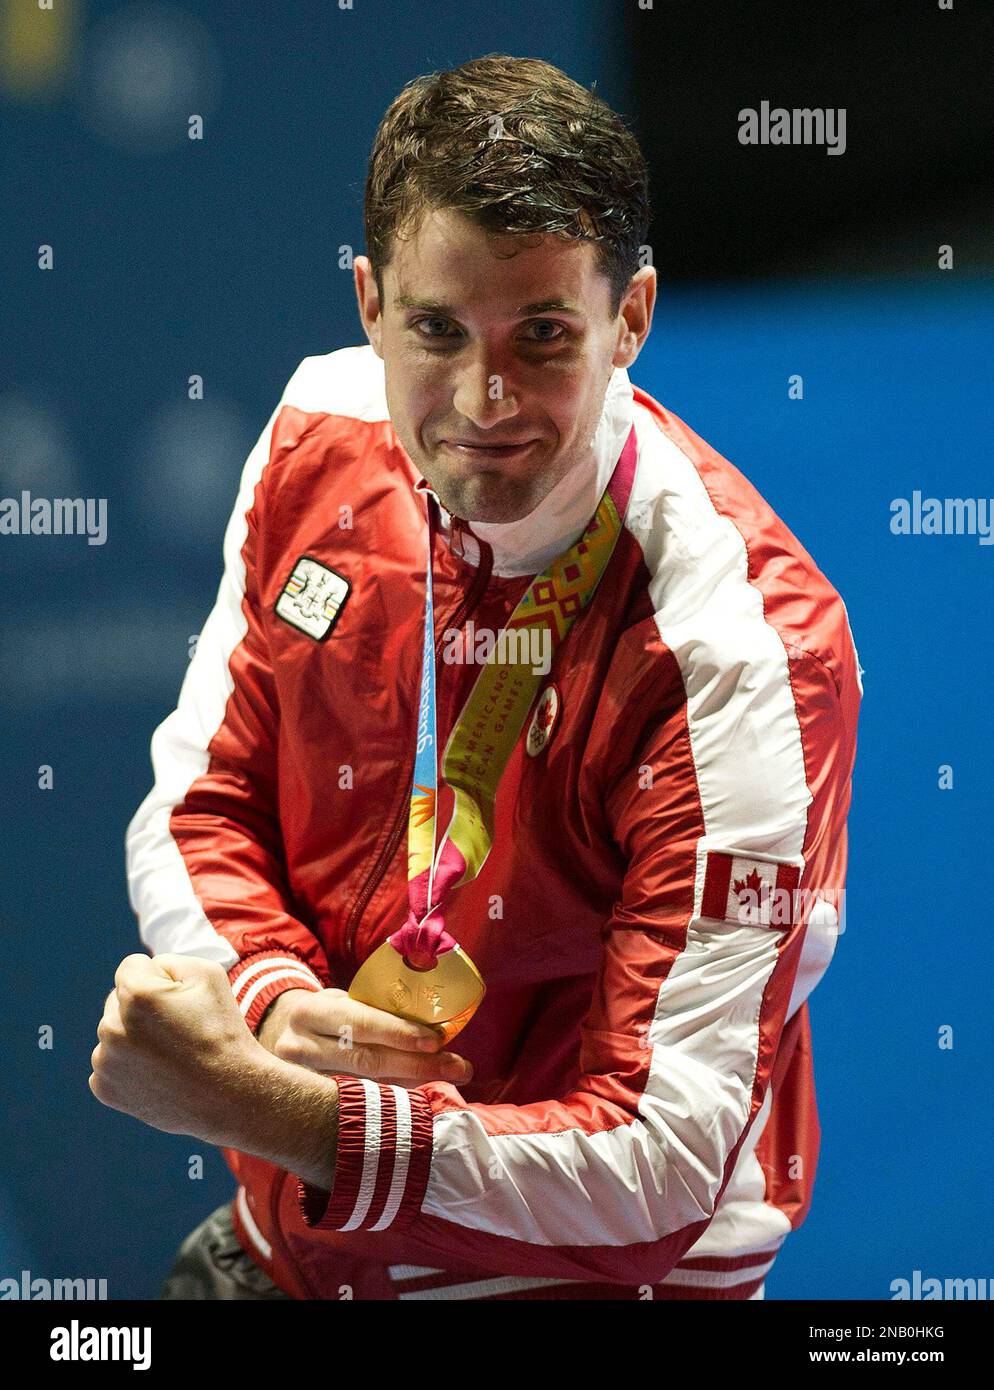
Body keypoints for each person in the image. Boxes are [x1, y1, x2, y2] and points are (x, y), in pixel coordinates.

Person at [91, 53, 863, 1301]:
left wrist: (278, 1109)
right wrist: (272, 997)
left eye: (543, 335)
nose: (482, 401)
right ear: (367, 304)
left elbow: (660, 1169)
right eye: (437, 331)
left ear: (633, 318)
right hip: (294, 1252)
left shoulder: (744, 647)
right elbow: (200, 800)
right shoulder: (314, 437)